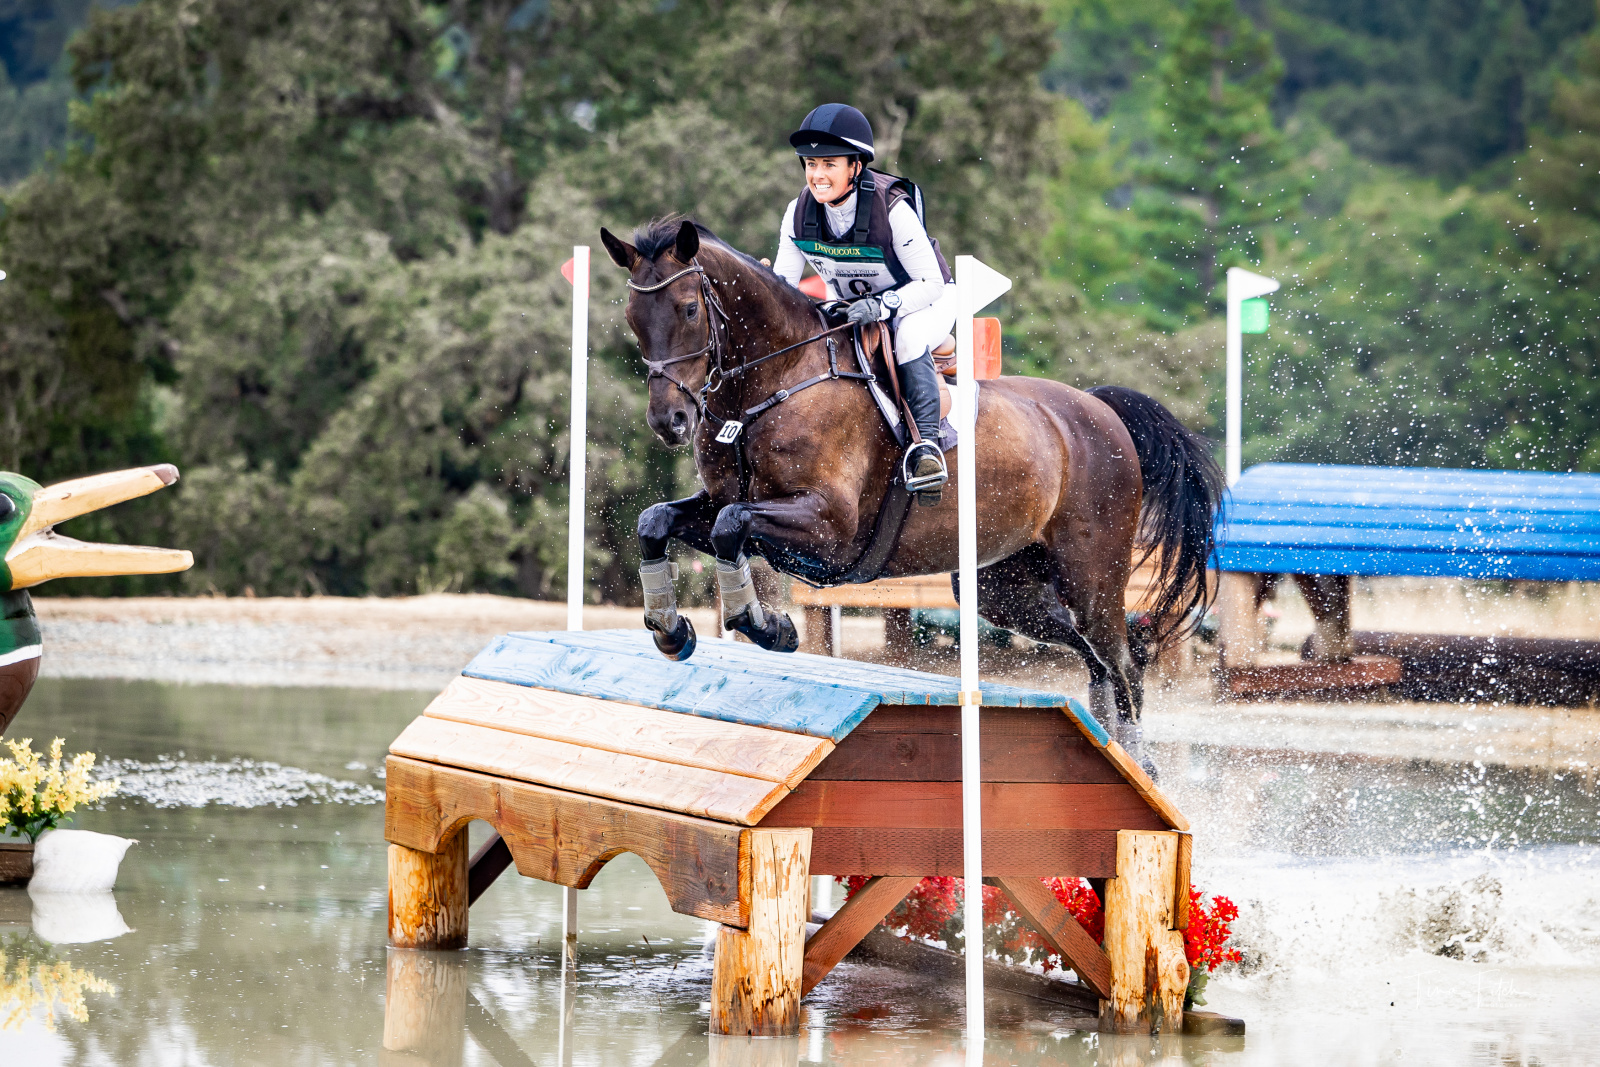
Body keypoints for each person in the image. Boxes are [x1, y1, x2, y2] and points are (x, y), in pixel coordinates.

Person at [770, 103, 954, 505]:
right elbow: (784, 286)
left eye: (828, 164)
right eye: (811, 164)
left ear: (855, 166)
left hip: (922, 303)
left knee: (907, 338)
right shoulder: (797, 212)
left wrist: (883, 305)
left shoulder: (892, 208)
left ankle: (927, 449)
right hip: (855, 308)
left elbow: (932, 283)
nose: (817, 175)